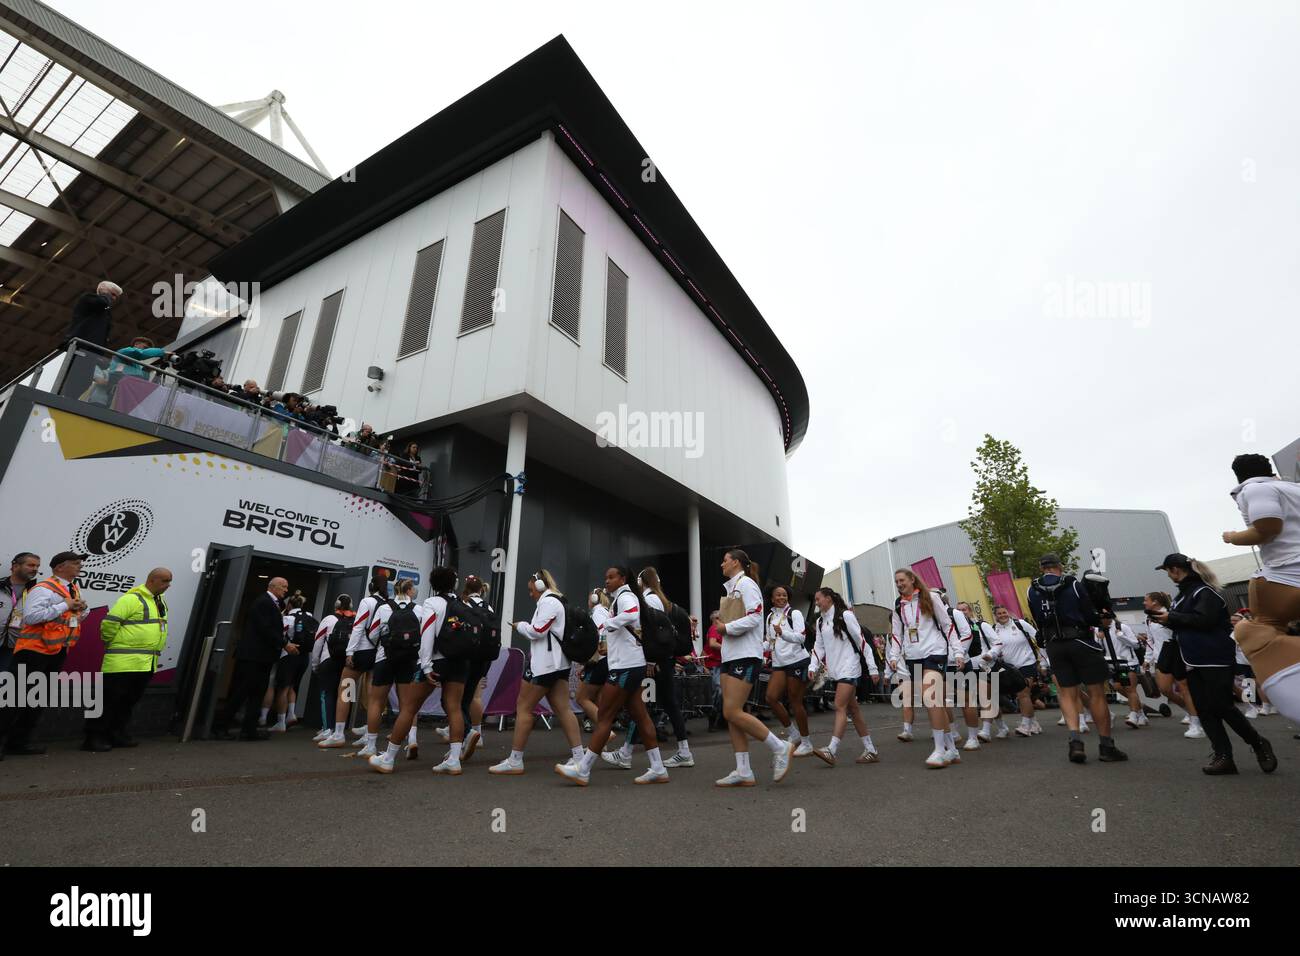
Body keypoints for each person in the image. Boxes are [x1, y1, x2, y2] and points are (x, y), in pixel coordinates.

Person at [1149, 553, 1277, 775]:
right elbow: (1186, 622)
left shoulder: (1205, 592)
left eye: (1168, 571)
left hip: (1213, 658)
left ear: (1176, 570)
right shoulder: (1182, 596)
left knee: (1222, 706)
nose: (1169, 576)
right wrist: (1166, 620)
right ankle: (1223, 755)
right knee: (1204, 709)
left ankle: (1258, 743)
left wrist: (1172, 618)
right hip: (1191, 659)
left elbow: (1205, 621)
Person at [555, 565, 671, 786]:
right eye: (605, 577)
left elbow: (631, 614)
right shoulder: (623, 596)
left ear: (622, 578)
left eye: (611, 577)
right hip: (630, 665)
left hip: (625, 667)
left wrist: (607, 625)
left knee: (605, 717)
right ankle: (658, 767)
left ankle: (583, 768)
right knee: (641, 716)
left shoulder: (625, 597)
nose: (606, 581)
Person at [1223, 453, 1300, 724]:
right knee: (1249, 675)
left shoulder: (1257, 489)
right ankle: (1256, 706)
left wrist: (1233, 538)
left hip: (1286, 573)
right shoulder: (1292, 488)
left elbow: (1267, 528)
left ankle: (1258, 707)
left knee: (1254, 632)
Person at [1028, 554, 1126, 765]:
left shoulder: (1032, 588)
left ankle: (1075, 742)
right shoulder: (1072, 583)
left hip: (1054, 644)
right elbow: (1090, 615)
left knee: (1067, 693)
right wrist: (1102, 618)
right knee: (1096, 693)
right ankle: (1106, 746)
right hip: (1080, 641)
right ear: (1059, 567)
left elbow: (1037, 619)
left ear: (1041, 567)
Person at [709, 549, 794, 787]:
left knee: (732, 711)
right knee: (731, 715)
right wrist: (725, 629)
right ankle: (743, 770)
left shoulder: (747, 584)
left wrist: (726, 628)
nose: (722, 564)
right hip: (730, 656)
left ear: (736, 562)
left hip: (745, 655)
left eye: (725, 560)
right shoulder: (733, 587)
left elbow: (755, 617)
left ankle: (780, 746)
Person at [490, 570, 584, 775]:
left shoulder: (549, 602)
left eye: (531, 589)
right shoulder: (557, 601)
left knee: (523, 707)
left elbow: (537, 631)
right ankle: (579, 759)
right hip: (558, 664)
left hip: (545, 665)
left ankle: (515, 760)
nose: (530, 594)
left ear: (540, 585)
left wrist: (519, 626)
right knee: (563, 709)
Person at [0, 552, 88, 757]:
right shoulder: (43, 588)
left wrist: (82, 610)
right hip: (33, 652)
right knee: (15, 698)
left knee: (37, 700)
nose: (79, 567)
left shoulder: (73, 588)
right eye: (75, 564)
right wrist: (65, 605)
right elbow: (31, 617)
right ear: (59, 567)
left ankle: (18, 742)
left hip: (55, 651)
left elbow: (70, 618)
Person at [605, 567, 693, 770]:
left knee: (644, 705)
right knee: (658, 704)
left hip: (657, 662)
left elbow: (654, 633)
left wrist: (651, 661)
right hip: (662, 660)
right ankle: (682, 751)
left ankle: (628, 753)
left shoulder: (650, 599)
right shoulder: (658, 598)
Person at [82, 567, 173, 751]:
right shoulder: (131, 599)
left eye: (169, 581)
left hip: (145, 664)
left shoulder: (160, 601)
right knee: (107, 702)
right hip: (121, 663)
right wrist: (110, 644)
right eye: (164, 581)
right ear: (152, 580)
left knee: (127, 703)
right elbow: (109, 624)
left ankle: (116, 734)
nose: (168, 585)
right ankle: (93, 738)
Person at [887, 568, 963, 768]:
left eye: (902, 580)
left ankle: (939, 750)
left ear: (912, 579)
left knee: (931, 698)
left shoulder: (931, 597)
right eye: (896, 582)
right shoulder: (898, 605)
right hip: (913, 656)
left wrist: (958, 652)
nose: (899, 584)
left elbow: (948, 625)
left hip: (935, 652)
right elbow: (896, 633)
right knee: (933, 702)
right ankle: (952, 750)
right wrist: (894, 656)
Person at [214, 576, 295, 741]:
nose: (286, 590)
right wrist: (285, 644)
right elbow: (266, 629)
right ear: (272, 587)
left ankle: (249, 729)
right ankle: (220, 726)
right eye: (283, 586)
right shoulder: (263, 603)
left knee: (258, 693)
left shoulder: (273, 604)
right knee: (241, 692)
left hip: (263, 657)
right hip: (252, 657)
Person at [809, 588, 880, 765]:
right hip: (836, 670)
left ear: (829, 598)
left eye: (818, 599)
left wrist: (872, 668)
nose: (816, 602)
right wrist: (813, 665)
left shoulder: (845, 616)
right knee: (854, 711)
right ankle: (871, 749)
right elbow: (819, 647)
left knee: (840, 706)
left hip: (850, 667)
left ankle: (831, 750)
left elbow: (862, 642)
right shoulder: (819, 622)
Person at [365, 577, 430, 773]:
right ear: (409, 590)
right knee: (408, 706)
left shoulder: (384, 608)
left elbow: (373, 634)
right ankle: (411, 740)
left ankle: (370, 746)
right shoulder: (418, 610)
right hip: (409, 660)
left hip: (385, 658)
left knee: (376, 701)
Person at [318, 576, 387, 749]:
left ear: (371, 586)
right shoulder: (388, 604)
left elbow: (358, 627)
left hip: (361, 652)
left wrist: (350, 651)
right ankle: (369, 736)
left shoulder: (367, 601)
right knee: (374, 696)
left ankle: (339, 733)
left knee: (346, 688)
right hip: (377, 652)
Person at [421, 566, 472, 775]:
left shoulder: (432, 603)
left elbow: (426, 635)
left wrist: (425, 665)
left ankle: (388, 754)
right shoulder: (464, 603)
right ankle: (454, 759)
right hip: (461, 661)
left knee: (409, 706)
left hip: (438, 660)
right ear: (455, 584)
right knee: (455, 707)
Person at [1144, 591, 1202, 738]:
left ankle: (1196, 722)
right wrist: (1147, 659)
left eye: (1146, 600)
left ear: (1156, 602)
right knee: (1165, 690)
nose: (1144, 603)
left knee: (1184, 688)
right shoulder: (1148, 619)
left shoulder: (1171, 614)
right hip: (1161, 657)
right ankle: (1190, 711)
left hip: (1177, 652)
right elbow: (1150, 640)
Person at [764, 584, 813, 757]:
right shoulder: (770, 616)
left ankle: (806, 742)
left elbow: (801, 637)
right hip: (779, 663)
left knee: (795, 700)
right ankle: (794, 734)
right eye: (778, 595)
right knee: (771, 697)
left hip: (797, 661)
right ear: (771, 598)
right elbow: (770, 642)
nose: (782, 597)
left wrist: (783, 633)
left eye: (784, 595)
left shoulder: (795, 613)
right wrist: (755, 649)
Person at [989, 604, 1043, 738]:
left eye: (1004, 612)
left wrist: (1043, 660)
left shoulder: (1021, 624)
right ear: (995, 616)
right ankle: (1034, 723)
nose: (1002, 615)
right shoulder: (993, 629)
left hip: (1027, 663)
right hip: (1008, 668)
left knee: (1023, 694)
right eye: (999, 614)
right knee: (1023, 696)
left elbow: (1038, 638)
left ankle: (1025, 725)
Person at [267, 591, 314, 732]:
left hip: (289, 655)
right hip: (304, 656)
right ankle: (291, 714)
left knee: (283, 688)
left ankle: (280, 722)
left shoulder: (287, 618)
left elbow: (280, 635)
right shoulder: (309, 616)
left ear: (288, 604)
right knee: (292, 686)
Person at [309, 595, 354, 743]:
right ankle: (341, 728)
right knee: (346, 694)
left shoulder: (328, 619)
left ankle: (328, 729)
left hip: (329, 660)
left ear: (336, 605)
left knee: (327, 694)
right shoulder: (355, 620)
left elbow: (318, 642)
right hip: (349, 662)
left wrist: (315, 664)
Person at [1098, 610, 1145, 729]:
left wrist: (1121, 636)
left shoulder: (1122, 627)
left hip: (1128, 662)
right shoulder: (1099, 630)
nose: (1101, 619)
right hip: (1113, 664)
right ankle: (1140, 712)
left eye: (1104, 616)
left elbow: (1135, 644)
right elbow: (1099, 648)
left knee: (1130, 688)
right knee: (1118, 687)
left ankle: (1134, 715)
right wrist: (1099, 639)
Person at [576, 587, 612, 731]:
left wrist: (588, 660)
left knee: (581, 698)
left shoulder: (598, 613)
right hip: (604, 660)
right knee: (598, 701)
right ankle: (602, 742)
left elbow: (600, 636)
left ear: (593, 599)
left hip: (599, 661)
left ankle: (607, 731)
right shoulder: (604, 611)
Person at [0, 552, 40, 677]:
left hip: (15, 647)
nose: (35, 569)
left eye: (37, 566)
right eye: (31, 565)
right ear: (16, 566)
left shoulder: (38, 591)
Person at [67, 280, 121, 347]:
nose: (114, 298)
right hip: (79, 344)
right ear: (104, 290)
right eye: (113, 294)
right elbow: (102, 302)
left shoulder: (107, 313)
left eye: (116, 296)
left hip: (95, 348)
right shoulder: (88, 298)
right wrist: (106, 295)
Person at [702, 610, 724, 729]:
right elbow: (712, 644)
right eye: (717, 618)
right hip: (715, 665)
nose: (719, 620)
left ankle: (718, 718)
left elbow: (705, 649)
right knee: (718, 692)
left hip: (718, 664)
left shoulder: (719, 629)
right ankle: (714, 716)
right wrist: (728, 648)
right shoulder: (714, 628)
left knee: (719, 692)